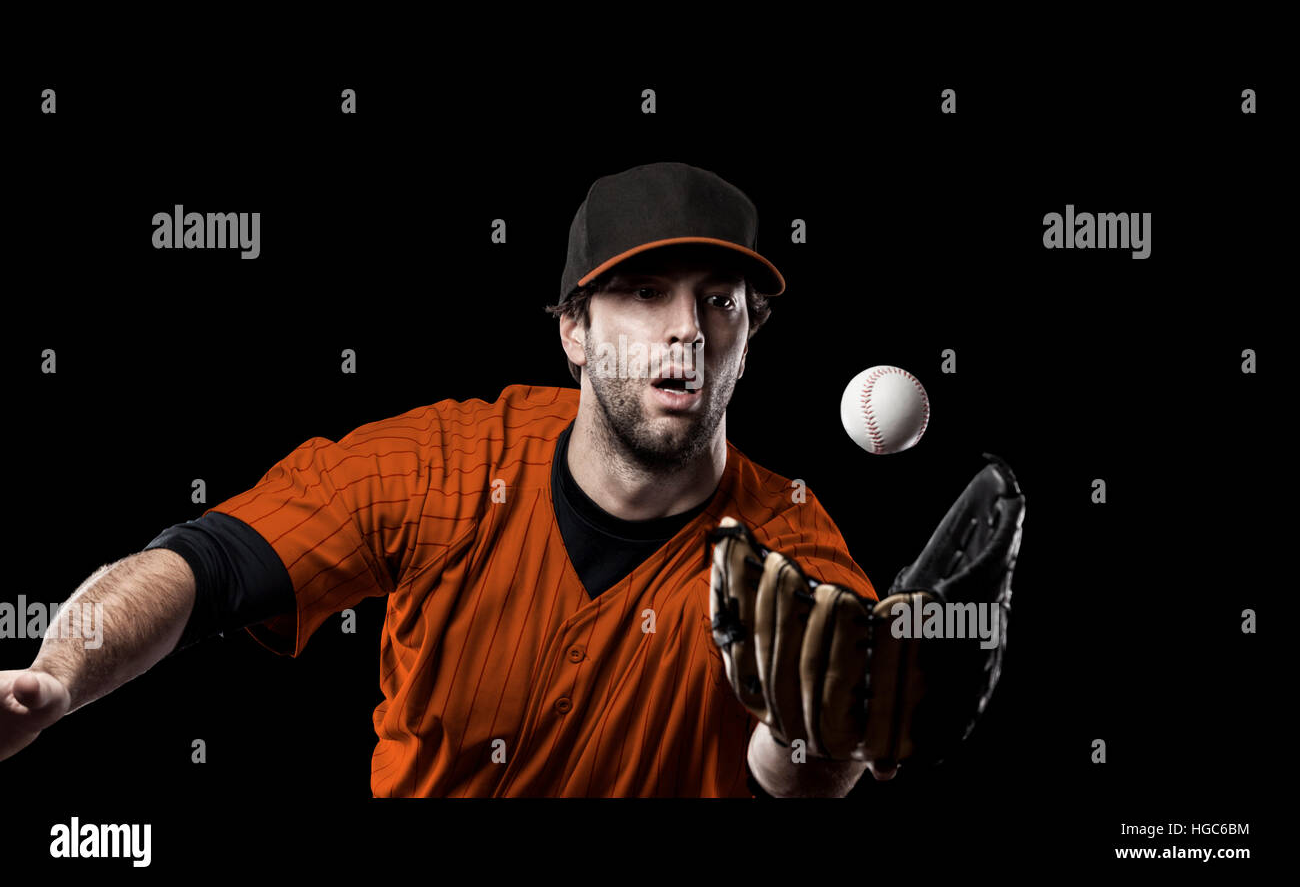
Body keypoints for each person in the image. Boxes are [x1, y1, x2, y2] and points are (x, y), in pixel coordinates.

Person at [0, 161, 881, 797]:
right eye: (645, 291)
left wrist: (818, 731)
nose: (686, 327)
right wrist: (56, 683)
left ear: (748, 333)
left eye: (719, 299)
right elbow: (210, 564)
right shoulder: (447, 463)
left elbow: (793, 777)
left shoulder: (795, 546)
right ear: (574, 330)